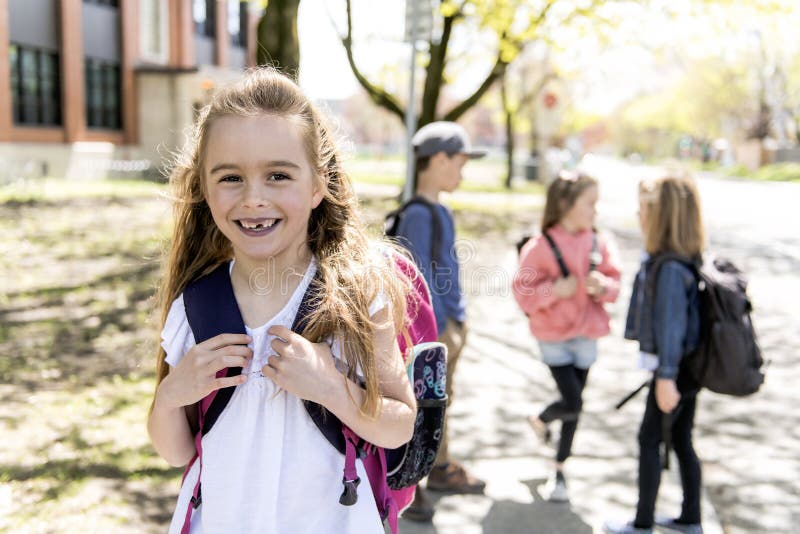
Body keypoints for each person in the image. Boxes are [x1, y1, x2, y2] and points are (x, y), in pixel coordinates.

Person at [146, 68, 418, 533]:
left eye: (278, 175)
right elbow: (175, 453)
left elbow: (399, 425)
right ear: (205, 190)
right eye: (230, 177)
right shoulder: (196, 305)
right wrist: (174, 393)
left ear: (317, 185)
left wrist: (333, 388)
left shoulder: (353, 298)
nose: (254, 198)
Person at [392, 121, 487, 522]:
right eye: (459, 162)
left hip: (452, 327)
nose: (462, 171)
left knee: (443, 401)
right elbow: (417, 278)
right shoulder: (417, 214)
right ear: (439, 159)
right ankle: (412, 484)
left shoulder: (439, 210)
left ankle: (439, 469)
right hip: (435, 333)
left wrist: (460, 322)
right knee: (426, 405)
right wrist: (443, 329)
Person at [604, 173, 706, 534]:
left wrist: (665, 376)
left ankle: (643, 523)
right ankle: (691, 517)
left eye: (645, 211)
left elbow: (670, 329)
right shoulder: (682, 261)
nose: (638, 216)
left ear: (660, 217)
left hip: (673, 373)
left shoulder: (669, 271)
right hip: (685, 370)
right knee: (680, 439)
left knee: (650, 439)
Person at [512, 171, 621, 502]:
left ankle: (559, 469)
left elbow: (615, 283)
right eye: (590, 203)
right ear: (565, 204)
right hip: (554, 337)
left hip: (587, 334)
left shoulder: (598, 242)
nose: (595, 211)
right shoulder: (540, 246)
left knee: (575, 406)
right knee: (573, 401)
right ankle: (545, 423)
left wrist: (603, 287)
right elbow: (522, 291)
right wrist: (553, 289)